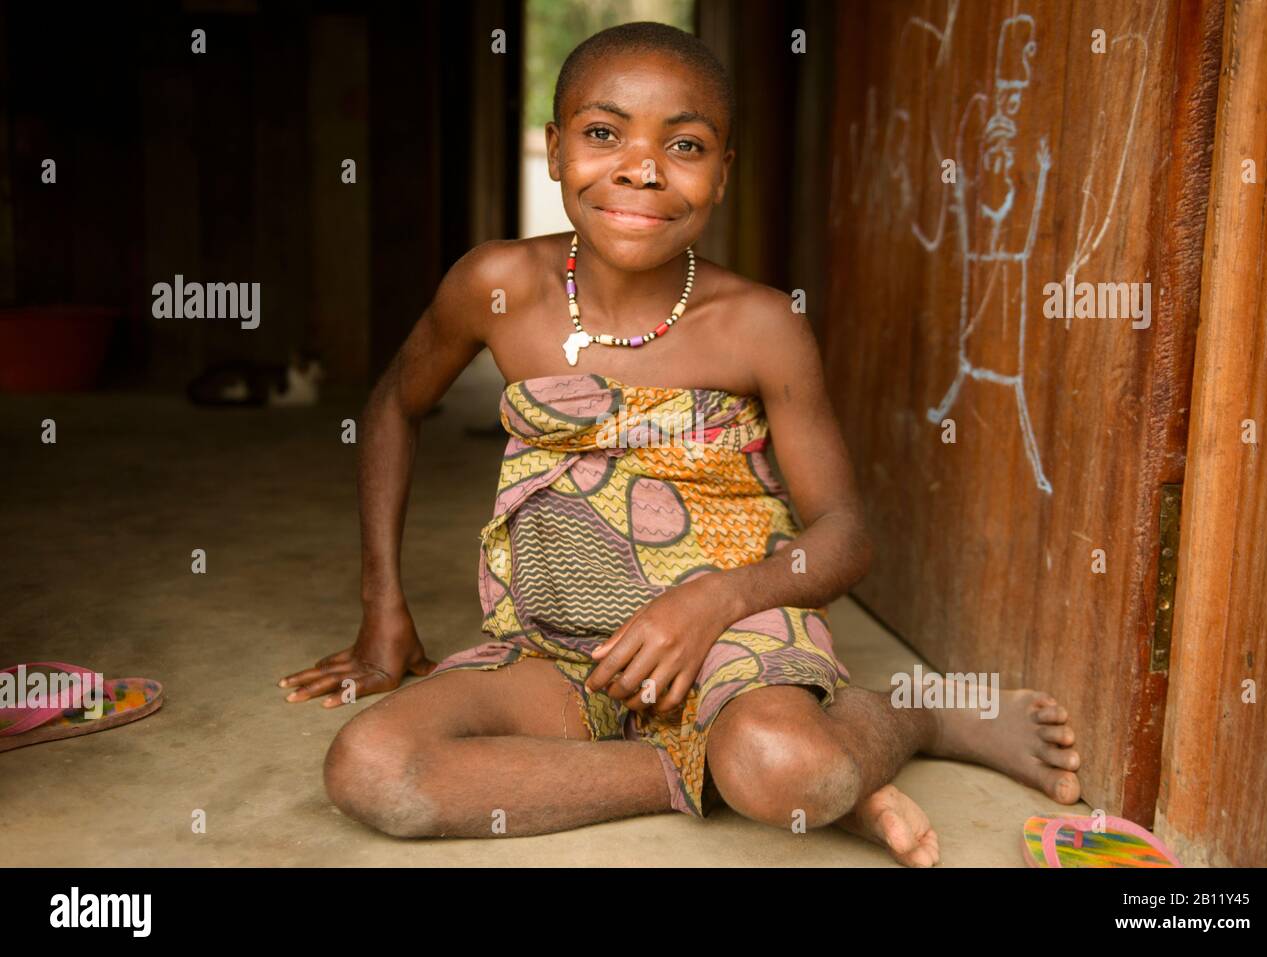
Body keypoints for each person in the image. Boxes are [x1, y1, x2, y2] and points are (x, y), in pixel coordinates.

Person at [278, 21, 1080, 866]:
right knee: (373, 768)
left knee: (790, 766)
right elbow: (393, 405)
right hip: (561, 650)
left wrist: (716, 602)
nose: (641, 167)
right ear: (555, 151)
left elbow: (845, 536)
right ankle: (694, 770)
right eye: (602, 133)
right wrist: (383, 611)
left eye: (686, 144)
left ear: (723, 171)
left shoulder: (761, 324)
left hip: (735, 644)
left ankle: (917, 716)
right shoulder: (497, 286)